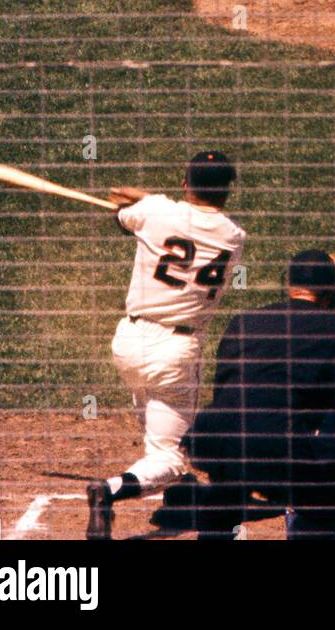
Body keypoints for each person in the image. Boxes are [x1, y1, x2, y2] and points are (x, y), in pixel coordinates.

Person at [153, 249, 335, 540]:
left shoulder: (243, 321)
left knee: (226, 493)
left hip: (214, 440)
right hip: (276, 449)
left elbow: (225, 393)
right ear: (330, 290)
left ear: (291, 284)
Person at [85, 151, 244, 540]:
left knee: (156, 425)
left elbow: (123, 220)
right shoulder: (234, 236)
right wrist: (146, 201)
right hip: (174, 351)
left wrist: (137, 203)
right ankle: (108, 491)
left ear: (185, 183)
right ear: (226, 190)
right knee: (172, 456)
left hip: (129, 340)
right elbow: (178, 215)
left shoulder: (156, 210)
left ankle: (178, 496)